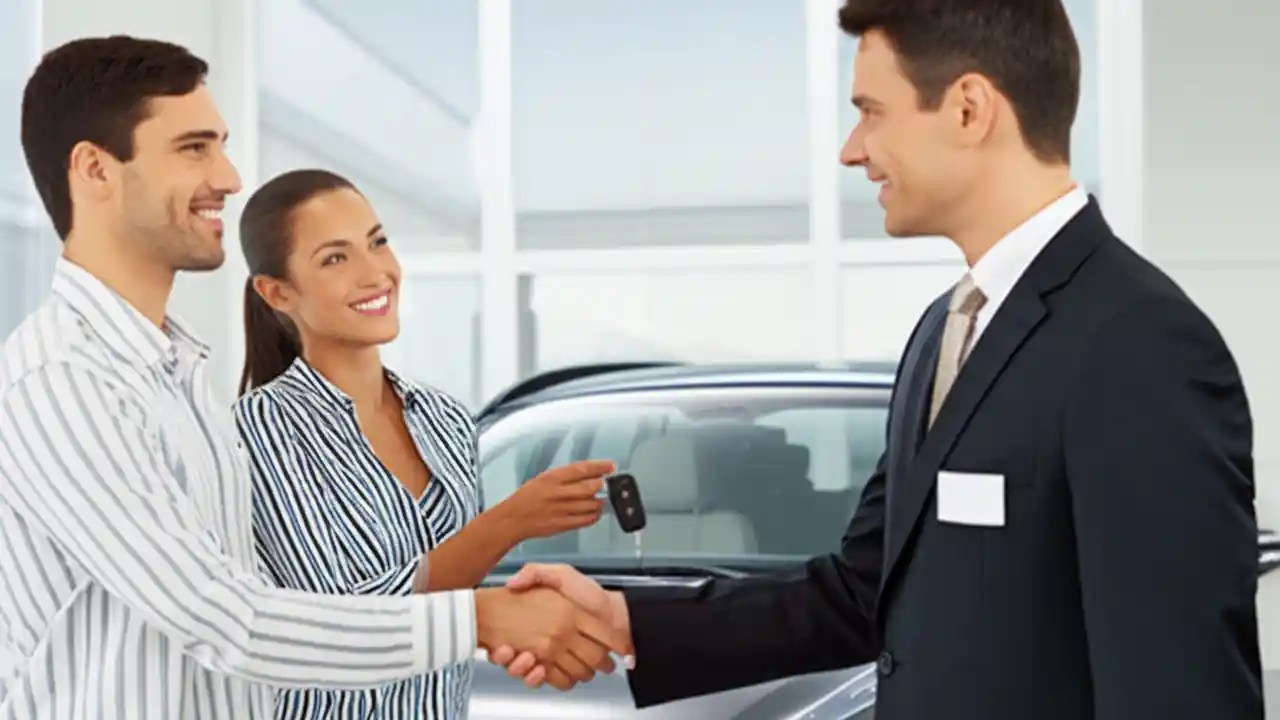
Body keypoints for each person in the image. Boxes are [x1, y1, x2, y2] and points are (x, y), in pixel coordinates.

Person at [495, 0, 1266, 717]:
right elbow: (863, 592)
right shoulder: (946, 330)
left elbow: (1180, 690)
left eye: (871, 112)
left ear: (968, 109)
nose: (851, 150)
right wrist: (626, 619)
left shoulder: (1139, 344)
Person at [0, 35, 623, 719]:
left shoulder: (178, 380)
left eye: (221, 144)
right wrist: (478, 618)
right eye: (193, 148)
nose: (231, 178)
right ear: (94, 170)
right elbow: (225, 620)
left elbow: (254, 632)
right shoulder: (62, 382)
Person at [233, 168, 613, 718]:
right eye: (336, 258)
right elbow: (352, 622)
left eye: (378, 242)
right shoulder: (258, 434)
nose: (375, 273)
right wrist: (511, 522)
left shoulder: (448, 421)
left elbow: (458, 608)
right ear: (277, 292)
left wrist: (537, 623)